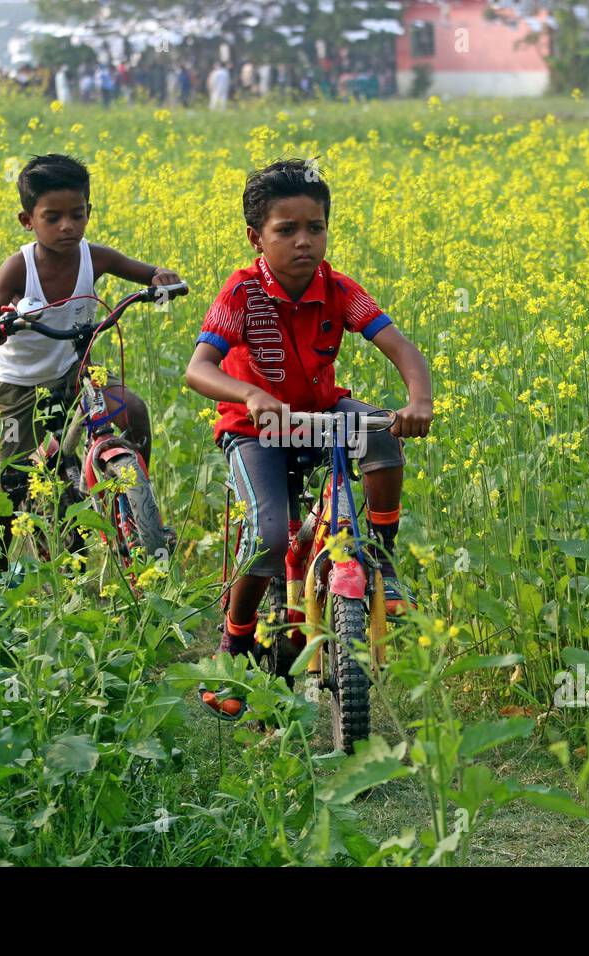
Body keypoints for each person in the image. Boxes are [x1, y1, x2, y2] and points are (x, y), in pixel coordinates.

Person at [185, 159, 432, 716]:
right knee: (270, 535)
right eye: (287, 230)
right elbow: (199, 368)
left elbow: (402, 347)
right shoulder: (242, 293)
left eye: (315, 228)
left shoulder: (339, 289)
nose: (304, 241)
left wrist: (418, 401)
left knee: (382, 434)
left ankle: (381, 559)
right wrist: (247, 394)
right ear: (257, 237)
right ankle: (235, 641)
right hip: (257, 430)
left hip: (322, 415)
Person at [0, 154, 184, 576]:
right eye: (53, 217)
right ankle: (0, 554)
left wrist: (162, 279)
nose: (67, 226)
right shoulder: (19, 267)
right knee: (13, 476)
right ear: (27, 220)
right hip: (18, 384)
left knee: (132, 409)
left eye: (77, 214)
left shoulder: (95, 257)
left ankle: (142, 512)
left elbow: (145, 273)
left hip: (75, 368)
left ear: (89, 213)